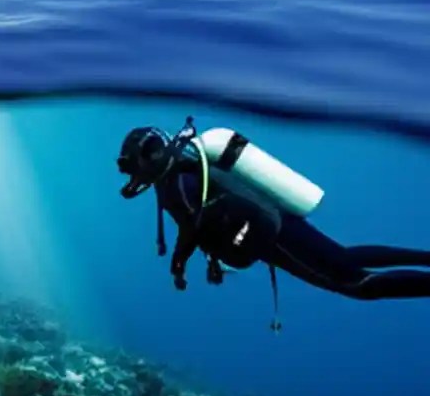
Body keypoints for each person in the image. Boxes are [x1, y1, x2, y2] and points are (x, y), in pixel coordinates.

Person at [116, 120, 430, 329]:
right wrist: (184, 261)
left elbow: (195, 226)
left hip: (274, 235)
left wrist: (179, 263)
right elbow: (199, 223)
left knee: (356, 285)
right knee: (345, 258)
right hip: (277, 218)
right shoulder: (182, 170)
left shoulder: (177, 184)